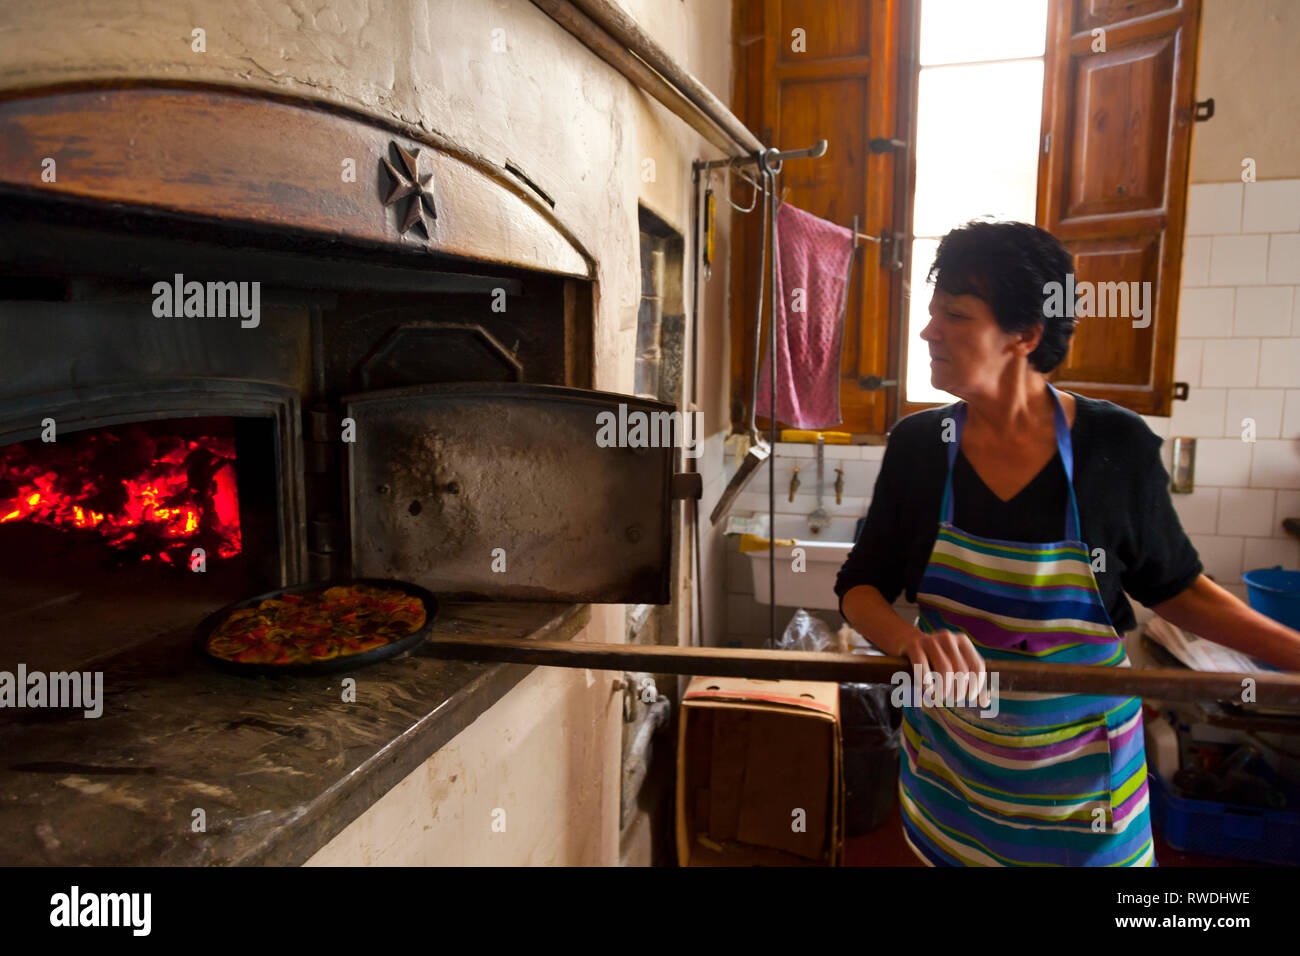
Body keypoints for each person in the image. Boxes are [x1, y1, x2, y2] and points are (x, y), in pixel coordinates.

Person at [835, 220, 1300, 867]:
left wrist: (1294, 655)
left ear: (1024, 336)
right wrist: (909, 641)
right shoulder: (919, 447)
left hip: (1084, 787)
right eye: (932, 312)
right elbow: (860, 586)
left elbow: (1180, 593)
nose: (928, 332)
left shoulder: (1113, 447)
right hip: (954, 773)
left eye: (955, 316)